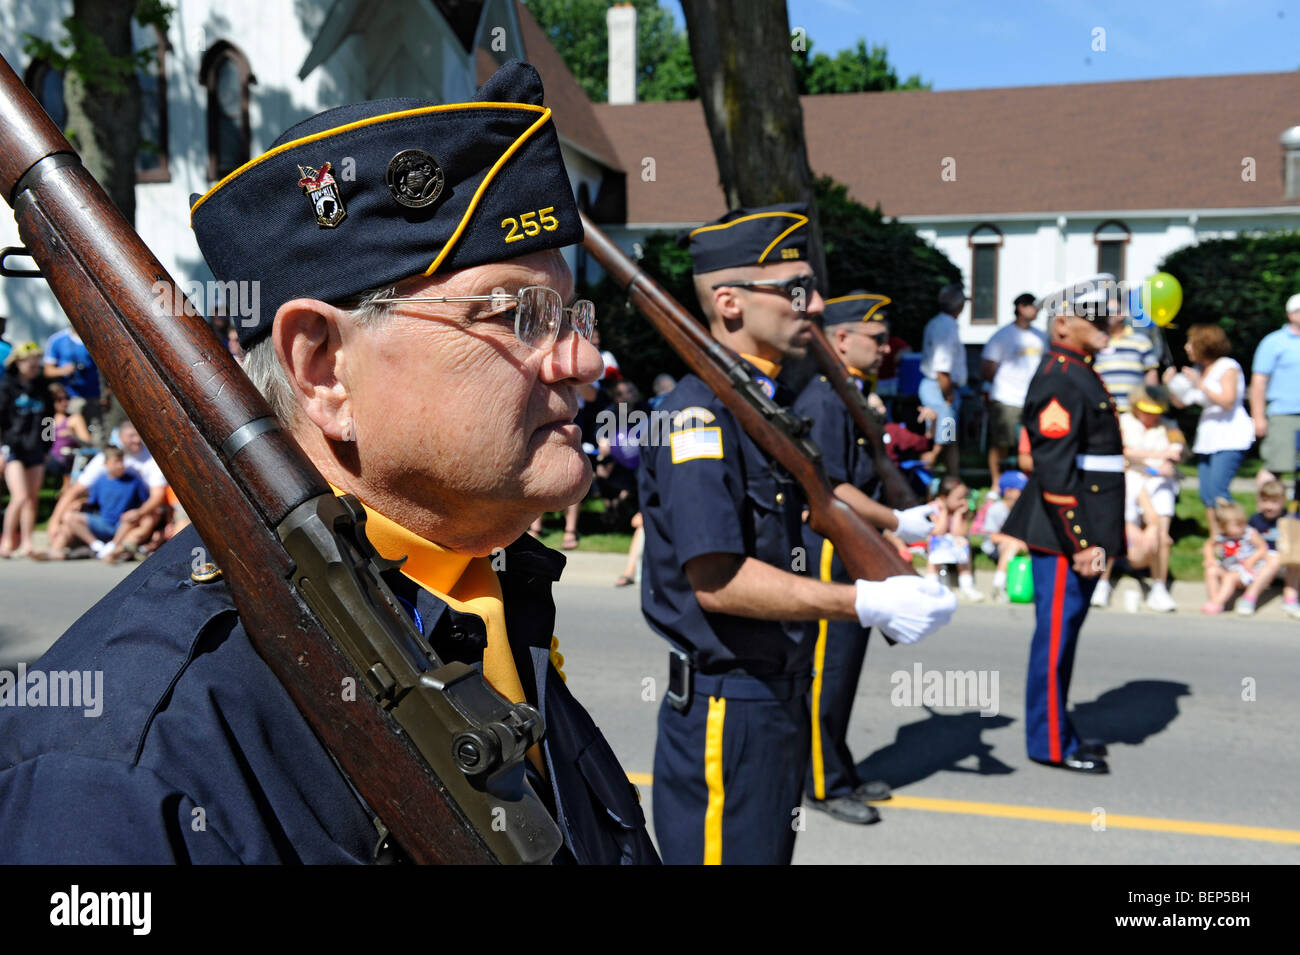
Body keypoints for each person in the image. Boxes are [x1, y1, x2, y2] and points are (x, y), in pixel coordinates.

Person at [0, 61, 658, 864]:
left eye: (573, 315)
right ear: (323, 369)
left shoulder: (479, 599)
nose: (584, 359)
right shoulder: (121, 766)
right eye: (521, 314)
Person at [639, 204, 955, 864]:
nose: (812, 307)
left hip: (773, 691)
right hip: (730, 704)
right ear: (729, 302)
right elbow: (718, 580)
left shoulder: (763, 406)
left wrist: (898, 527)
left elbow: (820, 494)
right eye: (793, 290)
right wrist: (859, 602)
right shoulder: (699, 414)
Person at [792, 292, 936, 825]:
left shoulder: (848, 395)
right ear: (840, 340)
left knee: (844, 672)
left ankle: (840, 766)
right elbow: (831, 485)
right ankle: (822, 783)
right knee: (828, 672)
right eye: (875, 338)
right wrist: (896, 522)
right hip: (832, 551)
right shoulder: (826, 400)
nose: (885, 348)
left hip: (853, 545)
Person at [1002, 282, 1125, 774]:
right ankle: (1050, 743)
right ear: (1062, 324)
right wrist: (1081, 543)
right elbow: (1054, 472)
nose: (1106, 327)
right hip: (1063, 536)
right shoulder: (1060, 376)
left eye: (1107, 320)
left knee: (1065, 636)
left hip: (1081, 531)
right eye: (1094, 320)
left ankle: (1059, 731)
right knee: (1054, 640)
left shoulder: (1079, 373)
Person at [1165, 324, 1254, 538]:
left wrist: (1200, 384)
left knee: (1218, 492)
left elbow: (1227, 400)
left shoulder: (1227, 366)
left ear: (1205, 344)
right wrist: (1168, 385)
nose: (1186, 347)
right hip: (1208, 438)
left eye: (1191, 343)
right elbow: (1182, 403)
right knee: (1206, 494)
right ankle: (1217, 538)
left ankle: (1239, 537)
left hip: (1231, 437)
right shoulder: (1199, 371)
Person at [44, 419, 168, 559]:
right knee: (70, 515)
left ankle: (119, 549)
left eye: (139, 435)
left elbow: (157, 497)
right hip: (106, 516)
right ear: (120, 437)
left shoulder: (150, 460)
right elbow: (75, 491)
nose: (137, 440)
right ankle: (54, 551)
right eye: (131, 436)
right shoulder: (108, 456)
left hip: (136, 514)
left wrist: (138, 512)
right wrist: (55, 521)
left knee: (149, 517)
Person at [1117, 385, 1183, 612]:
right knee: (1112, 530)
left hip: (1157, 482)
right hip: (1129, 477)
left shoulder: (1169, 426)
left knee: (1162, 536)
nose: (1152, 415)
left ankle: (1159, 587)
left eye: (1156, 410)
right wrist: (1157, 456)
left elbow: (1177, 451)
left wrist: (1170, 461)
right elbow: (1121, 450)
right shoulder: (1123, 422)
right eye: (1147, 410)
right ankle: (1101, 583)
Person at [981, 292, 1047, 487]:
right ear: (1021, 307)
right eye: (1032, 306)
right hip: (1007, 398)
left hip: (1034, 399)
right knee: (1002, 443)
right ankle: (996, 483)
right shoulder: (1002, 336)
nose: (1036, 310)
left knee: (1031, 445)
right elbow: (987, 368)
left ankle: (1024, 482)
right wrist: (1007, 385)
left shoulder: (1041, 337)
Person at [46, 445, 149, 559]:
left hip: (122, 523)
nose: (120, 465)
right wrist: (81, 502)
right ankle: (96, 546)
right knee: (69, 516)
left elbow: (144, 501)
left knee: (129, 518)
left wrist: (138, 511)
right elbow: (93, 503)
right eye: (116, 462)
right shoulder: (100, 482)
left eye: (121, 462)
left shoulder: (134, 481)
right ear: (106, 464)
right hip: (103, 522)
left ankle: (113, 546)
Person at [0, 341, 54, 558]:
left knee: (32, 497)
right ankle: (6, 540)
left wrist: (47, 447)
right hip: (13, 448)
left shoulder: (43, 388)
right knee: (20, 496)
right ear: (18, 363)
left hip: (36, 448)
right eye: (30, 363)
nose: (34, 367)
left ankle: (27, 542)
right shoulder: (7, 386)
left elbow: (48, 420)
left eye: (36, 363)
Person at [1249, 292, 1300, 487]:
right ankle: (1265, 516)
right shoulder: (1273, 342)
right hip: (1283, 415)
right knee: (1275, 467)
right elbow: (1259, 381)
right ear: (1291, 314)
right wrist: (1258, 417)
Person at [919, 283, 968, 475]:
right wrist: (947, 394)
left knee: (949, 436)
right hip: (940, 386)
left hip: (938, 385)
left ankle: (951, 479)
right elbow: (942, 368)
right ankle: (926, 469)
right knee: (944, 432)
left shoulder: (937, 323)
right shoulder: (946, 327)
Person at [1093, 292, 1158, 414]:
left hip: (1134, 412)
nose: (1104, 315)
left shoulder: (1141, 341)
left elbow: (1151, 375)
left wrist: (1151, 404)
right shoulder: (1096, 341)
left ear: (1120, 314)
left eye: (1109, 311)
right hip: (1104, 411)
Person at [1202, 499, 1269, 615]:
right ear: (1223, 526)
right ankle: (1214, 600)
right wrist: (1209, 558)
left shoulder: (1249, 533)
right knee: (1211, 571)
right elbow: (1208, 545)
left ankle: (1217, 603)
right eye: (1237, 525)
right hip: (1227, 567)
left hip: (1244, 570)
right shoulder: (1221, 536)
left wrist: (1252, 559)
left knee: (1229, 578)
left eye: (1243, 523)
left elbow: (1263, 547)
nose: (1242, 527)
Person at [926, 475, 983, 601]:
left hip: (955, 543)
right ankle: (931, 584)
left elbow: (959, 533)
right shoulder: (933, 508)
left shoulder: (963, 510)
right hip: (937, 542)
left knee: (963, 543)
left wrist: (958, 514)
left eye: (964, 497)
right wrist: (945, 511)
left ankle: (967, 585)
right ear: (943, 498)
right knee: (935, 544)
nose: (963, 501)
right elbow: (938, 531)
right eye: (959, 498)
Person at [1249, 479, 1300, 618]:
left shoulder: (1291, 519)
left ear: (1283, 501)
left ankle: (1291, 599)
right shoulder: (1255, 520)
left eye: (1274, 502)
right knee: (1276, 559)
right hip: (1263, 561)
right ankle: (1250, 597)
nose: (1269, 506)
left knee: (1294, 563)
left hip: (1285, 562)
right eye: (1265, 501)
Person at [43, 324, 104, 437]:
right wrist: (63, 371)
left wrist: (107, 393)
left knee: (98, 435)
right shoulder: (58, 340)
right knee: (71, 435)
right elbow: (47, 371)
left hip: (95, 396)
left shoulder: (97, 338)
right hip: (71, 398)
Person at [980, 469, 1029, 602]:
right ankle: (998, 585)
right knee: (1011, 545)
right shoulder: (996, 509)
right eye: (1021, 490)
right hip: (995, 548)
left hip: (1020, 545)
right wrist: (1016, 542)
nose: (1025, 493)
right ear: (1008, 491)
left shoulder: (1025, 510)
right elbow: (993, 537)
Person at [42, 382, 93, 489]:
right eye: (59, 400)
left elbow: (88, 444)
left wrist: (72, 435)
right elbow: (46, 443)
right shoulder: (48, 420)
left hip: (65, 461)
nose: (65, 402)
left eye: (67, 398)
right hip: (48, 461)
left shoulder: (74, 419)